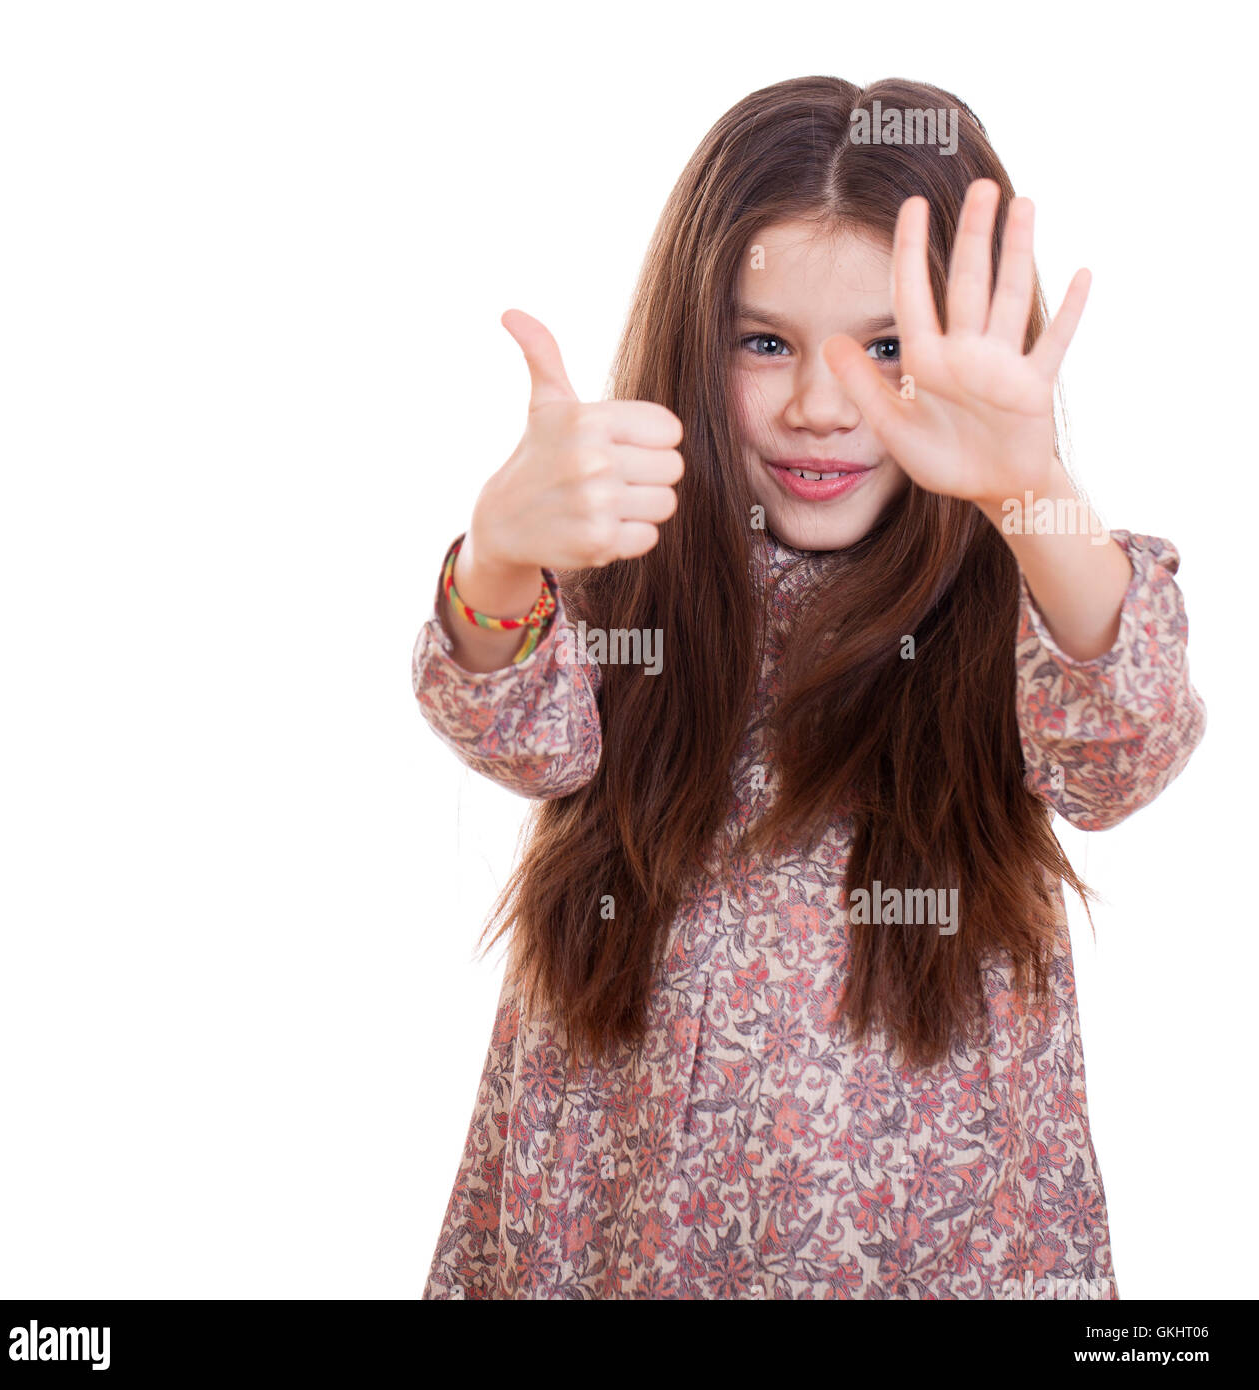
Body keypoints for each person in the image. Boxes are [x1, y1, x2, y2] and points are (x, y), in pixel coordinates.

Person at [410, 75, 1206, 1299]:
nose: (819, 406)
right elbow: (523, 733)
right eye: (764, 341)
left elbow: (1124, 751)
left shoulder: (1016, 588)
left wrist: (1030, 492)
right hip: (619, 1234)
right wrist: (505, 554)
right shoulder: (634, 566)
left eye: (885, 349)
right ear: (696, 337)